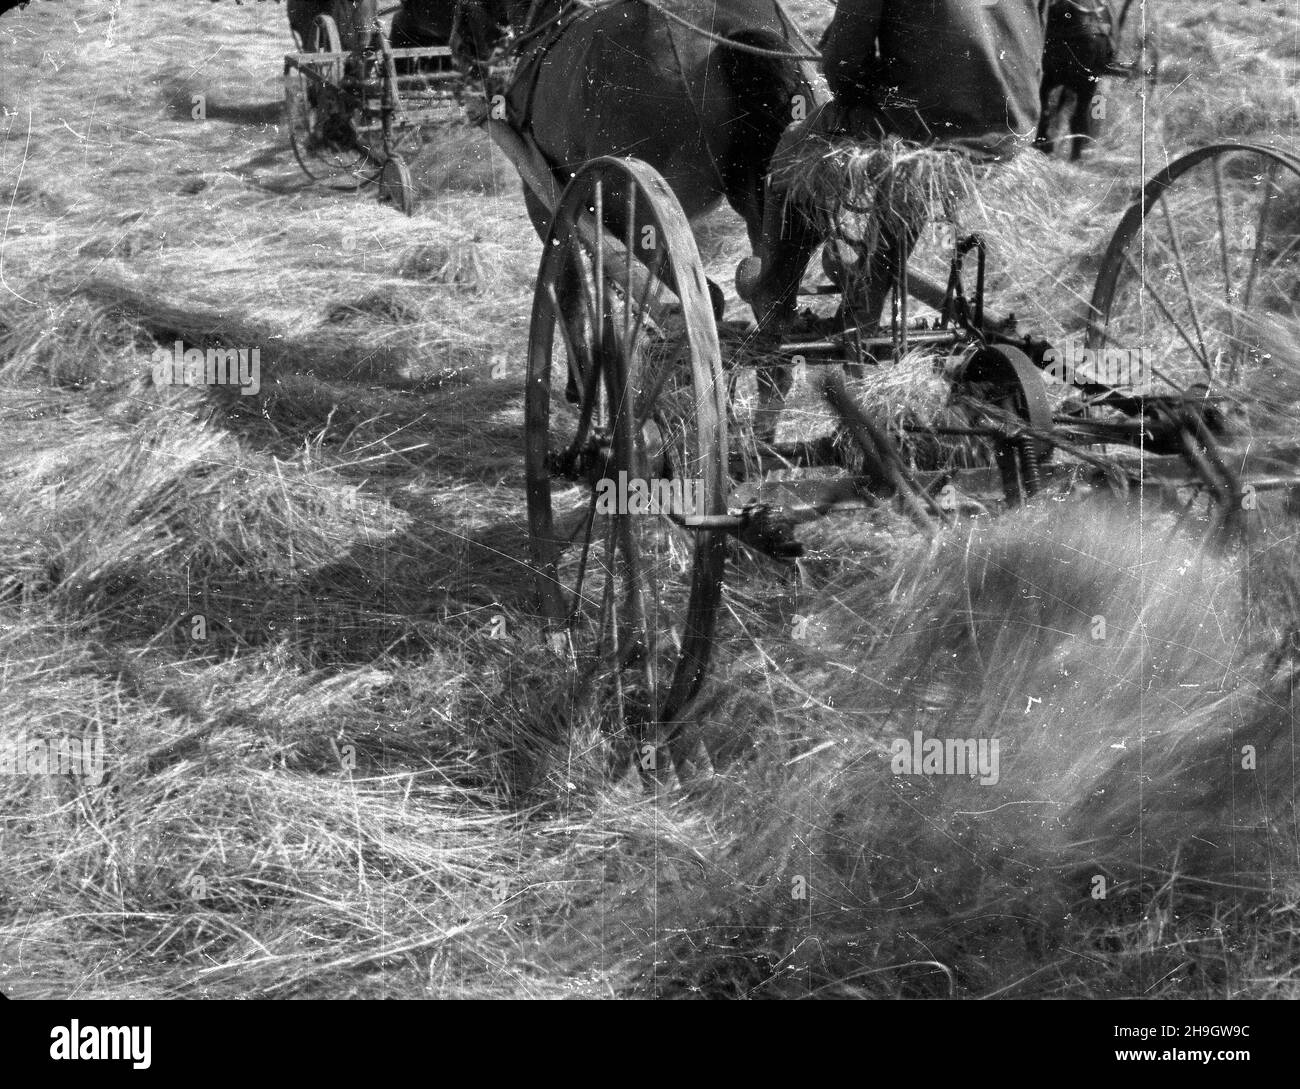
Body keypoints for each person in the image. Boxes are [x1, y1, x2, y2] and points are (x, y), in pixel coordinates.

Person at [744, 0, 1052, 337]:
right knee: (914, 165)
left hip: (925, 126)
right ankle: (866, 295)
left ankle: (775, 294)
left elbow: (841, 68)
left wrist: (867, 84)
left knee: (796, 143)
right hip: (1011, 129)